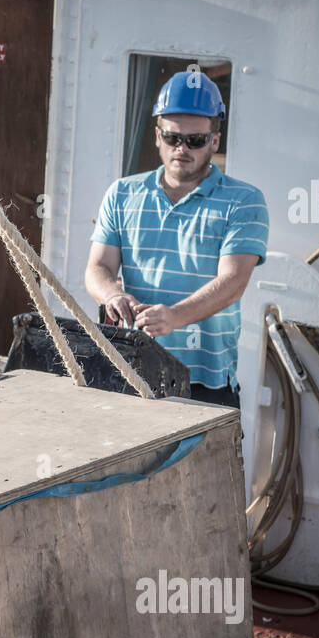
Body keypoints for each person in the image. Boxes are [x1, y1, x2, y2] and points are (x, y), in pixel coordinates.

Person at [85, 70, 269, 407]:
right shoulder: (122, 193)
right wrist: (112, 295)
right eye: (172, 138)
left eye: (195, 140)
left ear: (215, 140)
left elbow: (233, 281)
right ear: (157, 135)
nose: (181, 148)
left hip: (205, 382)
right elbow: (97, 267)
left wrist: (174, 318)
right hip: (131, 370)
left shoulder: (244, 201)